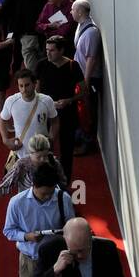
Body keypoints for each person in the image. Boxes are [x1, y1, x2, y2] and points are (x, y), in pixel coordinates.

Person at [0, 133, 66, 214]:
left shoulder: (54, 163)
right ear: (30, 154)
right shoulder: (22, 164)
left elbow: (62, 183)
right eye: (38, 157)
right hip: (27, 206)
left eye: (45, 156)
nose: (43, 160)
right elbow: (5, 185)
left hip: (50, 205)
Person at [38, 35, 85, 180]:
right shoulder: (41, 65)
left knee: (67, 149)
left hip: (67, 113)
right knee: (44, 148)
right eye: (46, 50)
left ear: (61, 50)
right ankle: (45, 180)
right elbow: (36, 91)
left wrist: (69, 100)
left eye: (52, 50)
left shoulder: (73, 66)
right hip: (46, 112)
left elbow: (84, 91)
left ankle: (64, 181)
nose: (48, 53)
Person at [0, 67, 59, 154]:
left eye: (27, 85)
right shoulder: (11, 101)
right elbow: (1, 120)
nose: (24, 90)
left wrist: (51, 138)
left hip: (41, 154)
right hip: (21, 153)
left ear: (35, 84)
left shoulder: (47, 100)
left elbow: (55, 120)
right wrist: (5, 140)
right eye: (21, 86)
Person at [72, 0, 102, 153]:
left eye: (73, 10)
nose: (71, 12)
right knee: (81, 109)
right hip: (81, 76)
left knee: (88, 111)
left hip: (88, 78)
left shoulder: (91, 32)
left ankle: (88, 143)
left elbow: (91, 58)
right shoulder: (81, 27)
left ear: (80, 12)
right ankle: (81, 136)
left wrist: (86, 80)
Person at [3, 0, 46, 72]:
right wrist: (8, 34)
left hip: (38, 35)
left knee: (41, 62)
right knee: (17, 61)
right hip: (19, 35)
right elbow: (4, 15)